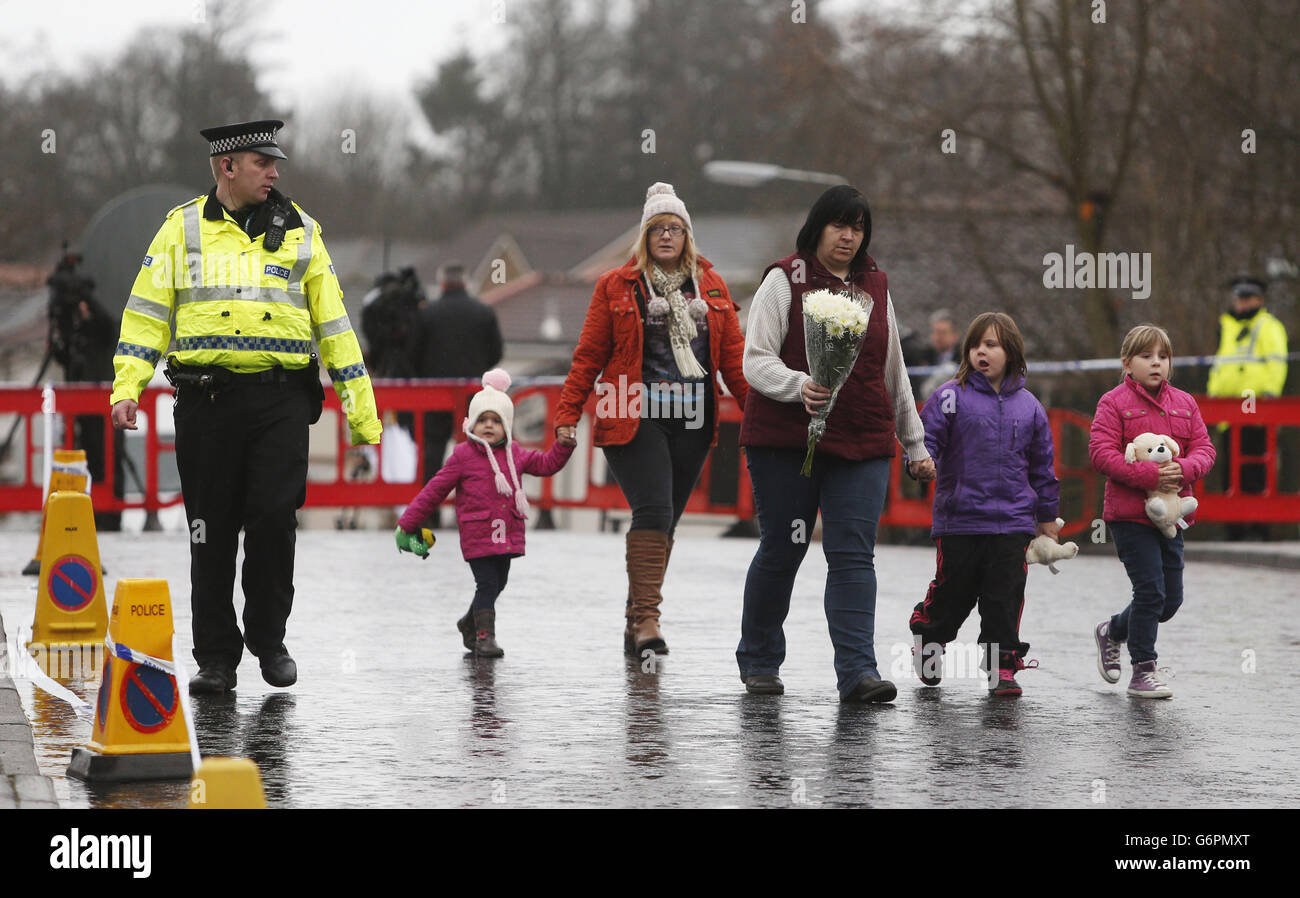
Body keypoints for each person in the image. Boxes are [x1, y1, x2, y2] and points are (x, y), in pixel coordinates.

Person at [109, 120, 382, 694]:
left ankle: (268, 637)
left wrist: (362, 412)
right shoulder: (179, 230)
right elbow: (146, 316)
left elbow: (335, 327)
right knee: (209, 530)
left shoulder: (304, 231)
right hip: (206, 402)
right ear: (227, 167)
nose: (275, 172)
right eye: (264, 162)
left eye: (275, 163)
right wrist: (127, 386)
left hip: (280, 399)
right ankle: (214, 657)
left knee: (273, 520)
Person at [736, 184, 934, 703]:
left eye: (858, 227)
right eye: (839, 225)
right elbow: (754, 359)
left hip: (862, 440)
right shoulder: (785, 280)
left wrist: (914, 444)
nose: (849, 236)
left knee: (853, 556)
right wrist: (797, 384)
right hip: (785, 440)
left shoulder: (875, 286)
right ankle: (758, 659)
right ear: (818, 227)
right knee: (784, 547)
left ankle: (857, 673)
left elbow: (893, 369)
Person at [555, 183, 748, 656]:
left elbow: (734, 362)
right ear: (644, 237)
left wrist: (761, 415)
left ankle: (634, 620)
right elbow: (588, 357)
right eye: (658, 229)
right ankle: (648, 621)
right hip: (632, 412)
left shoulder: (713, 286)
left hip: (692, 417)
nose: (666, 236)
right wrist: (566, 415)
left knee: (667, 523)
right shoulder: (616, 286)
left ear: (687, 235)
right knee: (655, 511)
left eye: (675, 229)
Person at [908, 312, 1061, 696]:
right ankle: (929, 635)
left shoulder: (1030, 407)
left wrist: (1046, 518)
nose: (982, 352)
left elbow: (1043, 466)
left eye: (991, 345)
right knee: (954, 591)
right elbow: (928, 440)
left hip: (1013, 521)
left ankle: (1003, 665)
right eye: (976, 345)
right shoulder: (950, 396)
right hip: (959, 518)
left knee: (1004, 596)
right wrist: (923, 460)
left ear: (1010, 352)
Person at [396, 369, 574, 656]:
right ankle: (484, 636)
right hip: (477, 532)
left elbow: (546, 465)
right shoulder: (462, 457)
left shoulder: (515, 454)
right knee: (487, 582)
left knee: (499, 582)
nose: (489, 426)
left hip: (507, 531)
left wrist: (563, 447)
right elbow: (435, 490)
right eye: (482, 420)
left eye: (496, 421)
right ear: (471, 424)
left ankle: (469, 621)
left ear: (507, 426)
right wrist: (408, 523)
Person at [1089, 324, 1215, 698]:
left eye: (1163, 356)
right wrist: (1147, 474)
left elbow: (1205, 449)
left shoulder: (1185, 403)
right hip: (1129, 516)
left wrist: (1187, 468)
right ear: (1127, 363)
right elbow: (1101, 453)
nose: (1156, 363)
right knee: (1149, 591)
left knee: (1169, 600)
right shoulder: (1113, 403)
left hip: (1173, 517)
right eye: (1146, 356)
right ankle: (1143, 669)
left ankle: (1112, 630)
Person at [413, 261, 504, 510]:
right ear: (466, 283)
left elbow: (414, 355)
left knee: (432, 449)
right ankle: (471, 507)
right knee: (475, 450)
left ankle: (428, 510)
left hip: (434, 394)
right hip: (473, 395)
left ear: (442, 283)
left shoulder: (427, 315)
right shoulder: (484, 313)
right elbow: (496, 353)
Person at [1206, 275, 1288, 540]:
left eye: (1247, 298)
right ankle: (1235, 529)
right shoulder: (1227, 325)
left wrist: (1268, 397)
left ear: (1259, 300)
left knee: (1255, 466)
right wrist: (1213, 397)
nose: (1242, 303)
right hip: (1226, 408)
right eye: (1239, 298)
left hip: (1254, 404)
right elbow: (1221, 363)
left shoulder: (1268, 325)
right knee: (1230, 468)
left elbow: (1277, 363)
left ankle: (1257, 527)